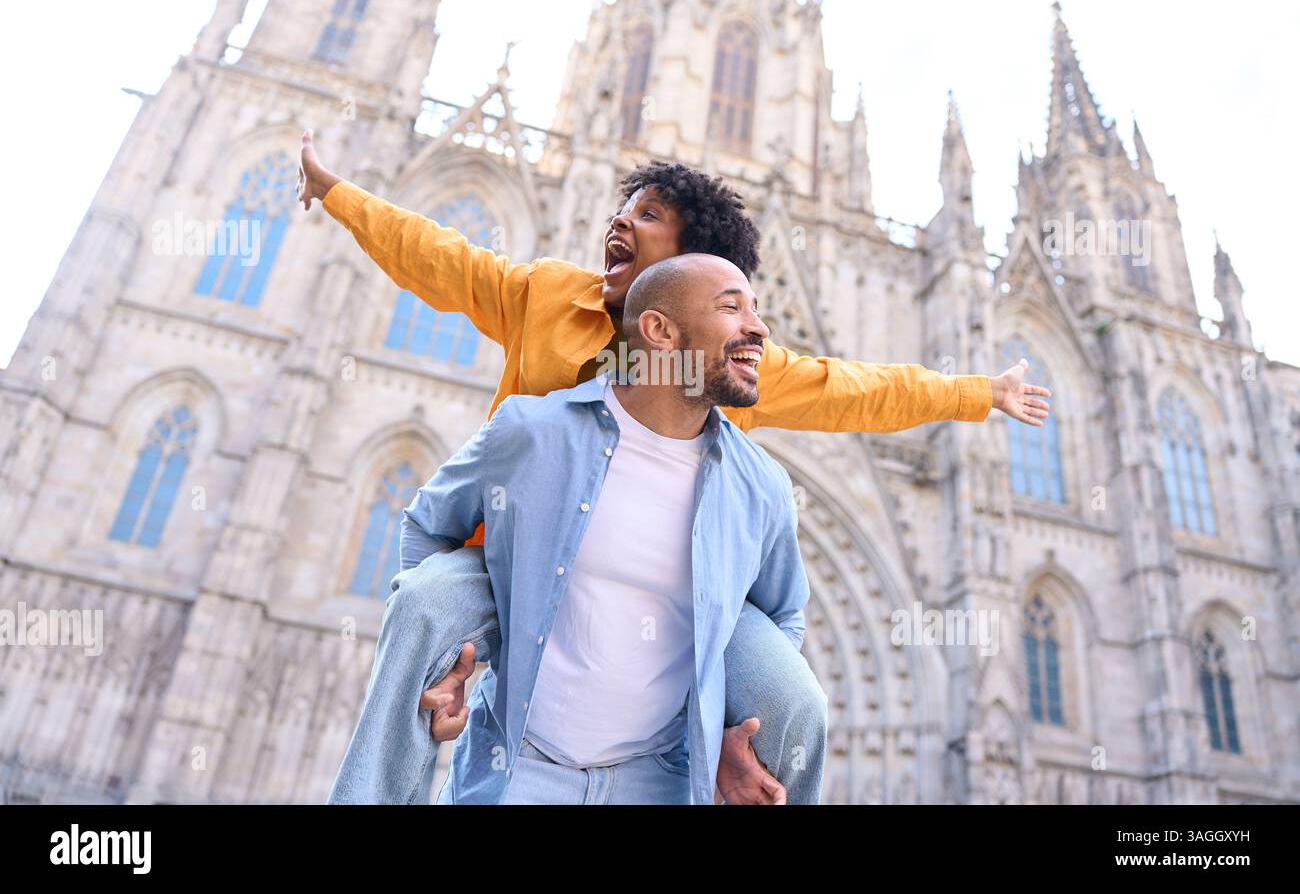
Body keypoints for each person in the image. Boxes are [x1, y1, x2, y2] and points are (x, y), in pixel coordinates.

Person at [300, 131, 1051, 803]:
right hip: (517, 565)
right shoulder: (547, 306)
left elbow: (855, 390)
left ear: (693, 263)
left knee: (798, 703)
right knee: (425, 601)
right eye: (622, 212)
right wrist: (336, 193)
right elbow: (438, 258)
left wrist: (982, 392)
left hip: (674, 599)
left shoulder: (728, 373)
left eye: (649, 215)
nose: (619, 222)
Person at [336, 255, 809, 804]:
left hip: (658, 781)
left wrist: (731, 728)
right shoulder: (533, 431)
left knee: (806, 707)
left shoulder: (761, 484)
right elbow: (428, 527)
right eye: (732, 307)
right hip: (517, 771)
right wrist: (442, 659)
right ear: (659, 331)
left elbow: (781, 617)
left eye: (756, 308)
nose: (759, 327)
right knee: (422, 598)